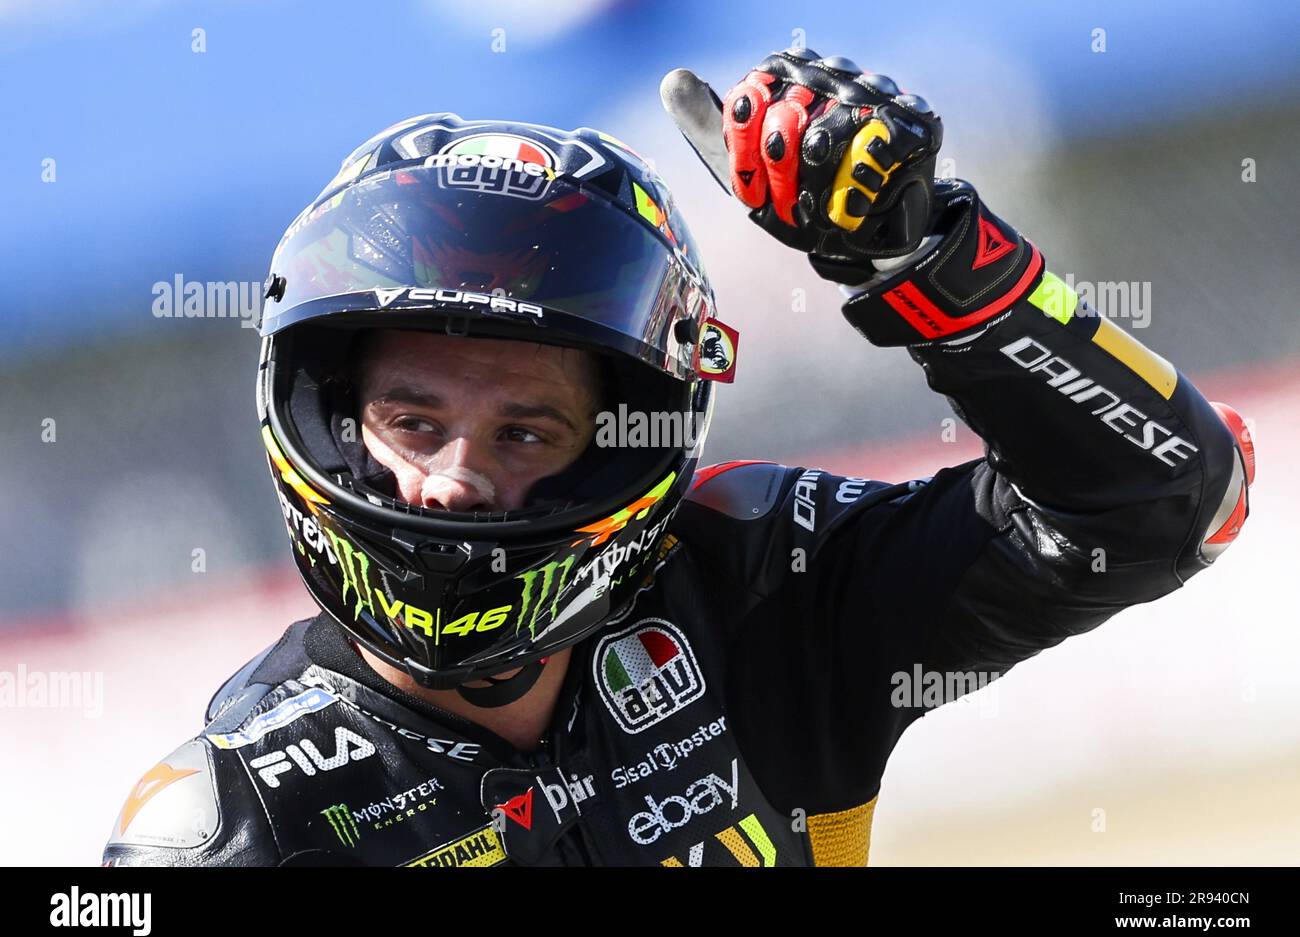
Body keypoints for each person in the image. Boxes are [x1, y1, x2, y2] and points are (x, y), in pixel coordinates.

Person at [102, 49, 1255, 867]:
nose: (451, 478)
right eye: (413, 421)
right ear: (329, 415)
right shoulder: (234, 823)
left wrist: (929, 262)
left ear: (620, 442)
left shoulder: (758, 588)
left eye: (523, 430)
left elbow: (1163, 501)